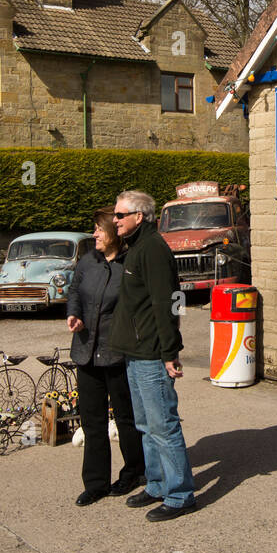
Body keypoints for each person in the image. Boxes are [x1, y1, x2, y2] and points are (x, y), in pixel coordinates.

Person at [109, 190, 197, 521]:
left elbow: (170, 301)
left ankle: (181, 494)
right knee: (145, 424)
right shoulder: (136, 249)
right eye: (116, 215)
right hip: (135, 352)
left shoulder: (154, 249)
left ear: (140, 216)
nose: (115, 220)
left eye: (120, 215)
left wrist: (170, 351)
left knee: (163, 425)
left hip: (151, 353)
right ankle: (158, 483)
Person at [66, 207, 144, 507]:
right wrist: (74, 313)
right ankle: (95, 483)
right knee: (92, 420)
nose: (94, 234)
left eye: (99, 229)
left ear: (113, 233)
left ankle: (134, 471)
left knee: (126, 417)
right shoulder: (88, 261)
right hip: (86, 352)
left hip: (117, 352)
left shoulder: (130, 263)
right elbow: (74, 290)